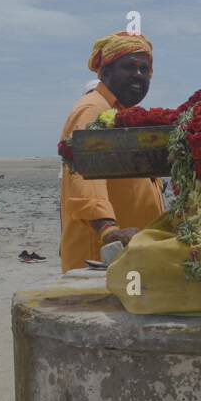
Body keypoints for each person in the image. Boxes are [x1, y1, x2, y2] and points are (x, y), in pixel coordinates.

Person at [59, 31, 165, 272]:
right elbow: (84, 175)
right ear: (105, 72)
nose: (138, 74)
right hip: (102, 256)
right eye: (129, 66)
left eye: (144, 69)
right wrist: (108, 230)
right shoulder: (91, 109)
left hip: (131, 254)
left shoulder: (124, 113)